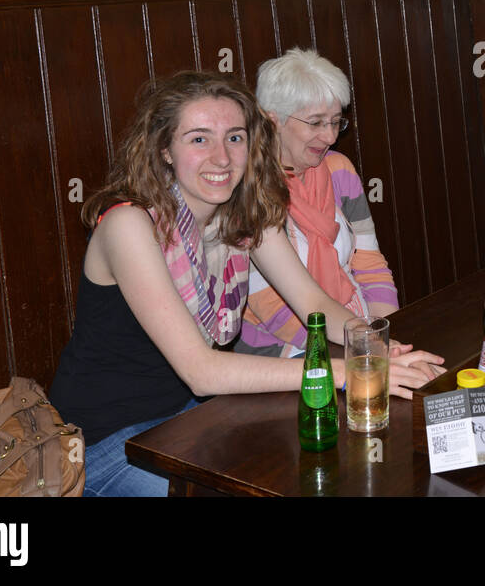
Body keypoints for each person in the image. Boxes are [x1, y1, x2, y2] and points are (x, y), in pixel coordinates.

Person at [48, 71, 444, 496]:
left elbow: (312, 299)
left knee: (323, 467)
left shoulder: (244, 212)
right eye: (199, 139)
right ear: (164, 149)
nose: (222, 158)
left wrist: (375, 347)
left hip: (187, 419)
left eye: (234, 138)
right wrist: (348, 371)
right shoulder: (129, 224)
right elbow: (202, 372)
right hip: (103, 444)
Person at [236, 48, 397, 358]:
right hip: (275, 349)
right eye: (315, 123)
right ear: (273, 121)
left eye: (336, 122)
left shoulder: (340, 170)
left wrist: (385, 330)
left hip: (352, 329)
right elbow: (268, 304)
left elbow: (369, 263)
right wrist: (357, 351)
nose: (330, 137)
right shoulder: (248, 188)